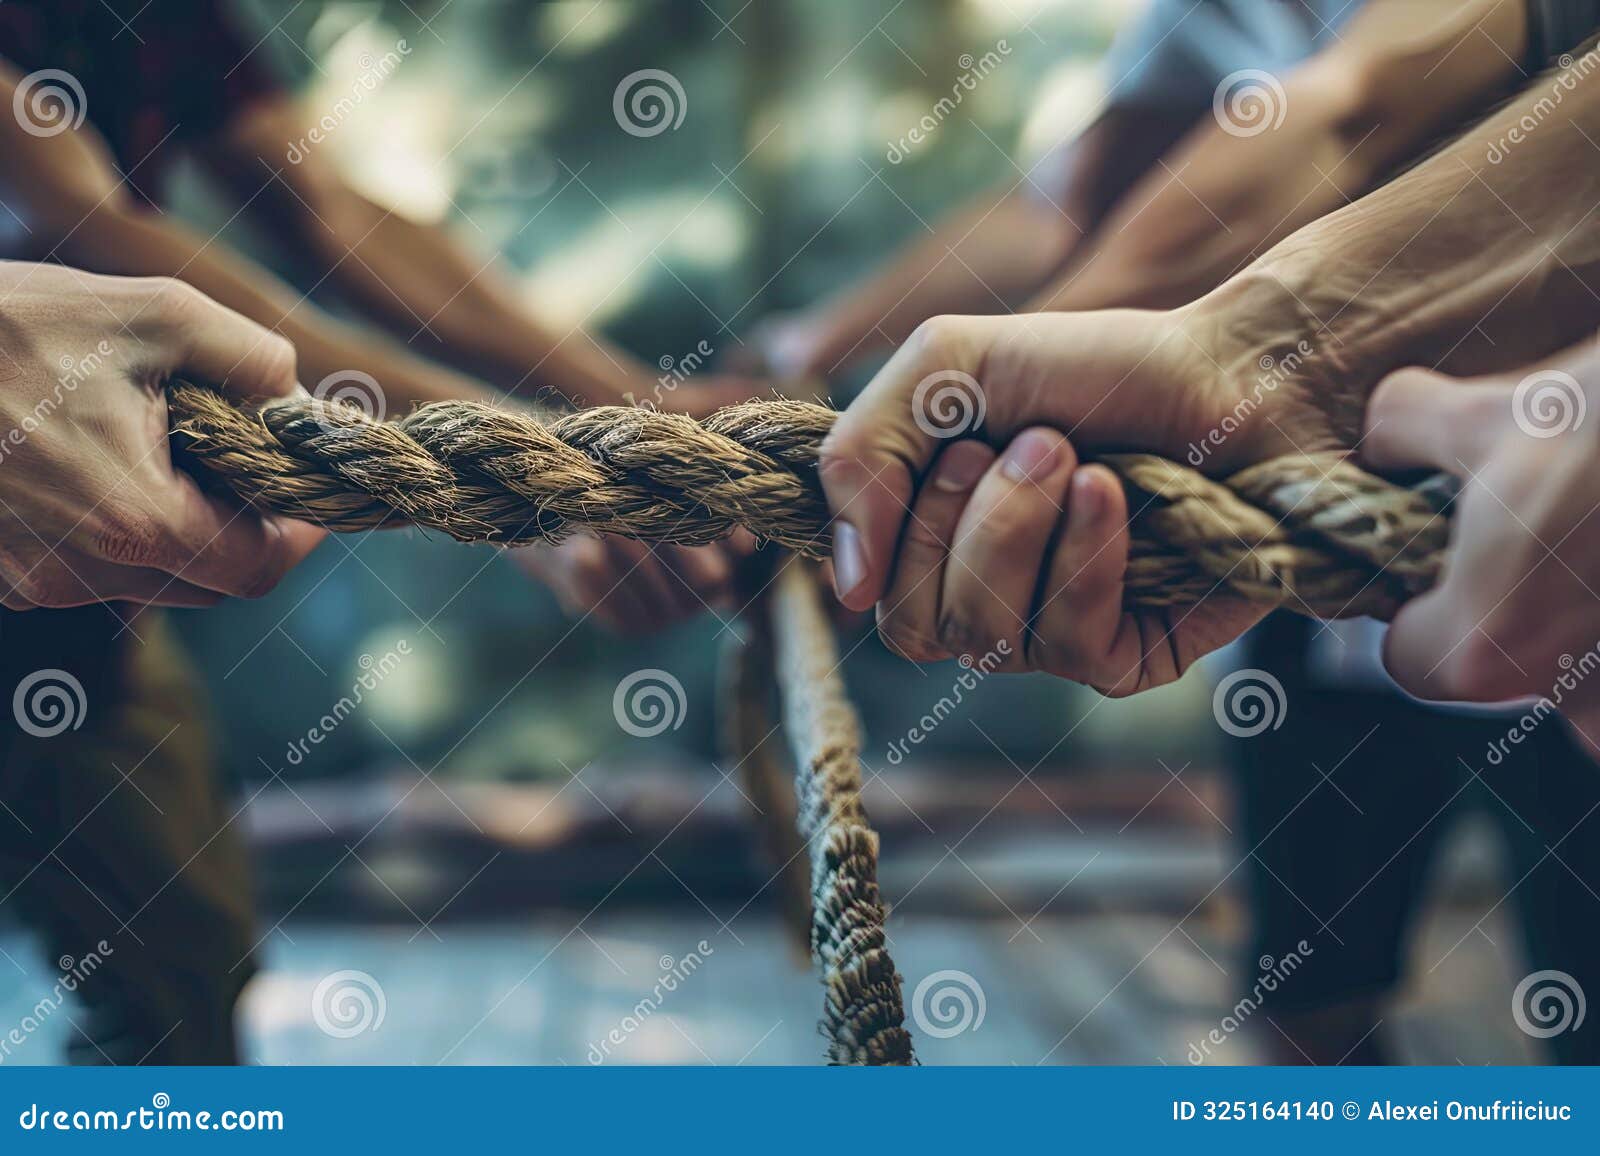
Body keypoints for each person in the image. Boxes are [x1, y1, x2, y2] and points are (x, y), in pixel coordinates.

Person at [817, 19, 1600, 1064]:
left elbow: (1352, 104)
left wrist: (1032, 401)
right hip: (1312, 520)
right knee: (1303, 990)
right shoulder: (1185, 27)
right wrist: (804, 355)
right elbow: (1064, 200)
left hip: (1532, 507)